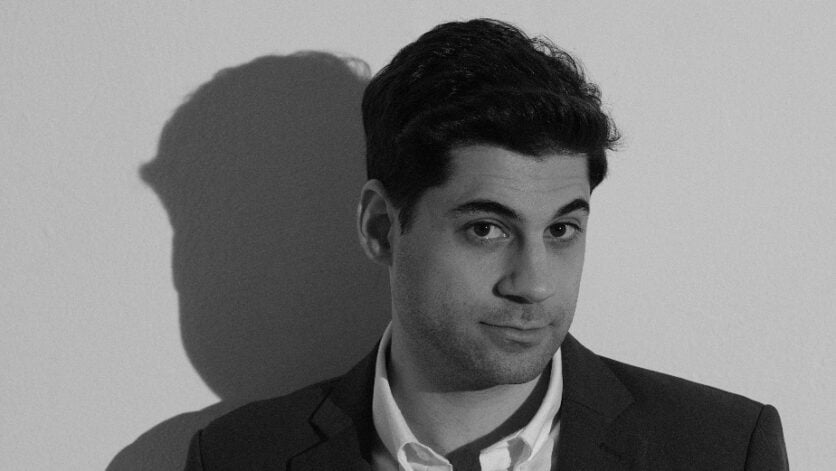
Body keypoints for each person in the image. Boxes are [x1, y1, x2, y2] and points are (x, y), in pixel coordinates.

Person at [183, 19, 789, 470]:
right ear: (380, 227)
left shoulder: (723, 450)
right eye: (486, 229)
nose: (534, 283)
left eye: (561, 230)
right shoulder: (238, 457)